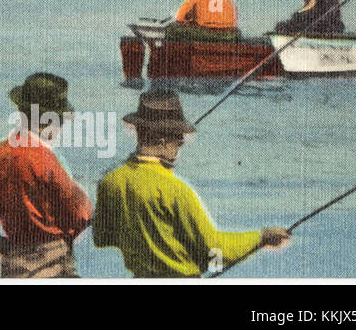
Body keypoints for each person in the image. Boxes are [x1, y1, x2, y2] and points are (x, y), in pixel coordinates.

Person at [92, 90, 290, 277]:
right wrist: (261, 237)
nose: (181, 143)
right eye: (178, 138)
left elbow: (102, 238)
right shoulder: (177, 190)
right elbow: (217, 250)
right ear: (161, 142)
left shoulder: (109, 182)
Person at [0, 73, 93, 277]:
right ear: (52, 122)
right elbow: (80, 214)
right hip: (54, 261)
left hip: (13, 259)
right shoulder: (46, 161)